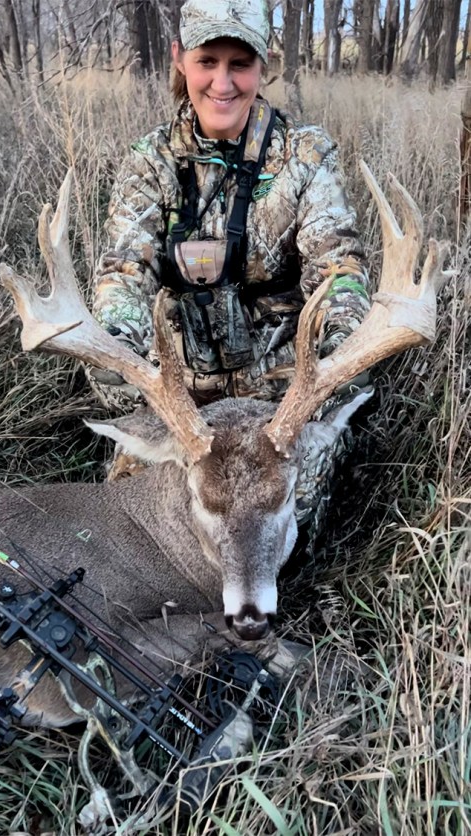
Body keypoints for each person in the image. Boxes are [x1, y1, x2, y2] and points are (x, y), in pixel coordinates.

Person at [89, 0, 370, 520]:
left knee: (283, 525)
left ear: (266, 67)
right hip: (183, 405)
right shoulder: (149, 161)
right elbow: (123, 272)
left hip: (281, 404)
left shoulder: (305, 156)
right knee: (136, 517)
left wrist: (336, 353)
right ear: (179, 59)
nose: (223, 83)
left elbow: (339, 268)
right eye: (207, 61)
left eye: (239, 64)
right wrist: (118, 344)